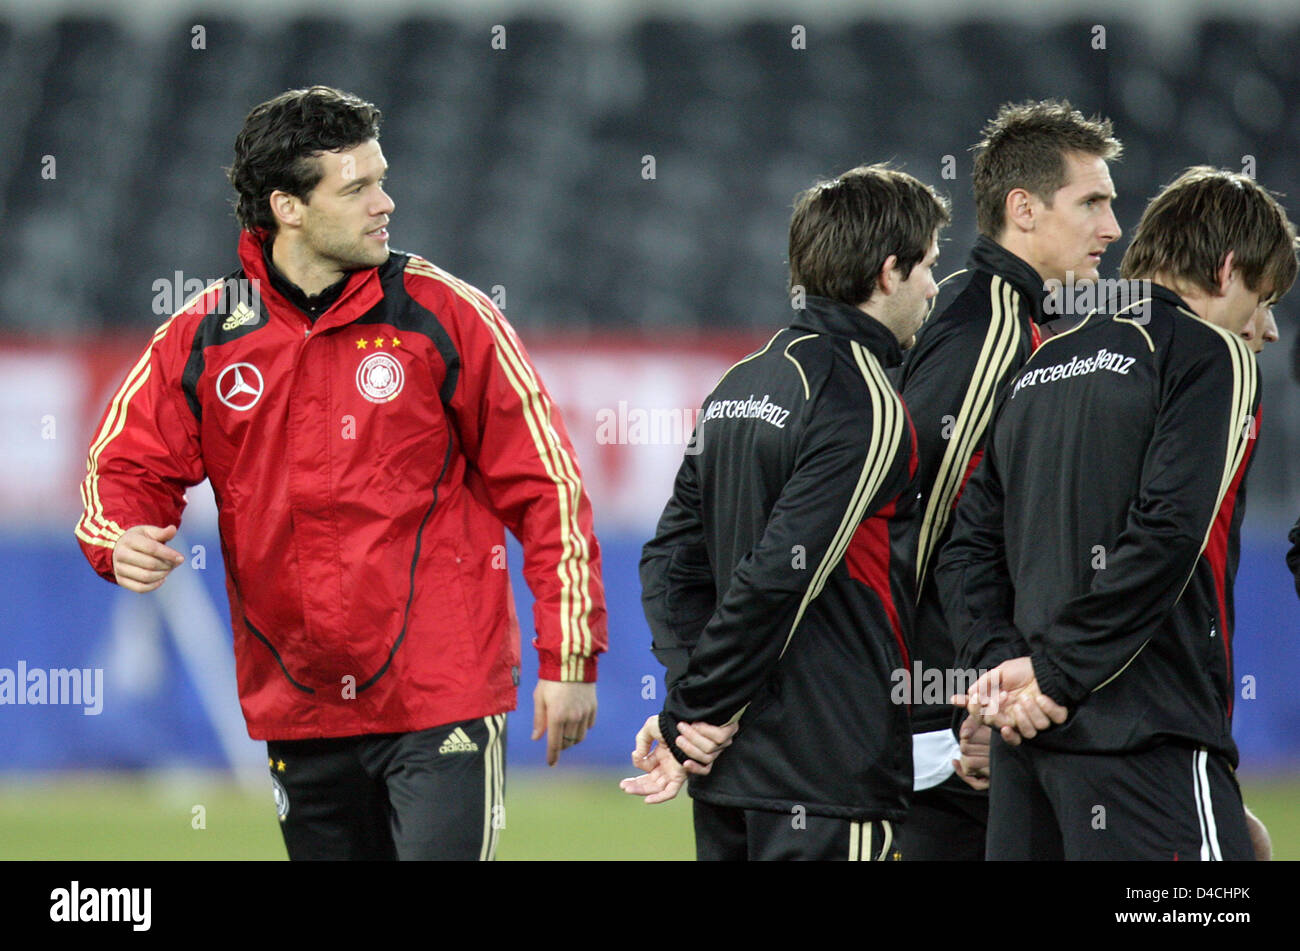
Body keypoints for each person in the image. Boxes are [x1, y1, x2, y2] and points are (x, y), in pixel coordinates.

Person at [74, 86, 607, 860]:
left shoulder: (445, 316)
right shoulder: (202, 337)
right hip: (301, 706)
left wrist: (570, 657)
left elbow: (548, 487)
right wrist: (119, 537)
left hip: (440, 698)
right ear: (287, 207)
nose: (384, 202)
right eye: (356, 187)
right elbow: (119, 465)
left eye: (381, 178)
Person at [936, 166, 1298, 860]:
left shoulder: (1039, 365)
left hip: (1027, 755)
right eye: (1264, 295)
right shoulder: (1209, 354)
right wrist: (1052, 675)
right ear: (1227, 270)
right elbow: (1165, 536)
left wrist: (1002, 671)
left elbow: (967, 546)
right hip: (1147, 746)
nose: (1269, 329)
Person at [623, 164, 950, 861]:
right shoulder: (863, 401)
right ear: (889, 272)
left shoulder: (743, 380)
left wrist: (694, 701)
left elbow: (670, 561)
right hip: (826, 766)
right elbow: (781, 573)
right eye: (928, 266)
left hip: (731, 772)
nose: (933, 288)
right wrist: (694, 711)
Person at [893, 100, 1121, 860]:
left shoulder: (1005, 315)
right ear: (1023, 209)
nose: (1111, 228)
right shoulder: (992, 334)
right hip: (955, 728)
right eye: (1092, 201)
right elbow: (919, 528)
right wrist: (966, 695)